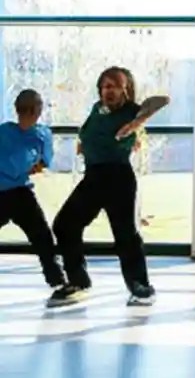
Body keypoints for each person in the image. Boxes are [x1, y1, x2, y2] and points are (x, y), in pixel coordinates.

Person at [48, 67, 169, 307]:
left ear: (126, 89)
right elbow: (93, 132)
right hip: (93, 177)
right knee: (64, 225)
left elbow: (162, 100)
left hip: (118, 177)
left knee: (125, 235)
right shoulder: (97, 109)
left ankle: (140, 286)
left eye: (114, 86)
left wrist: (136, 123)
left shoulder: (131, 111)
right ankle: (78, 282)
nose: (108, 91)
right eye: (104, 86)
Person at [0, 90, 65, 289]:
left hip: (17, 193)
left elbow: (43, 162)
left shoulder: (37, 133)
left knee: (42, 236)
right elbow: (43, 162)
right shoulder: (38, 134)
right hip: (17, 193)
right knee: (42, 236)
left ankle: (56, 278)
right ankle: (56, 279)